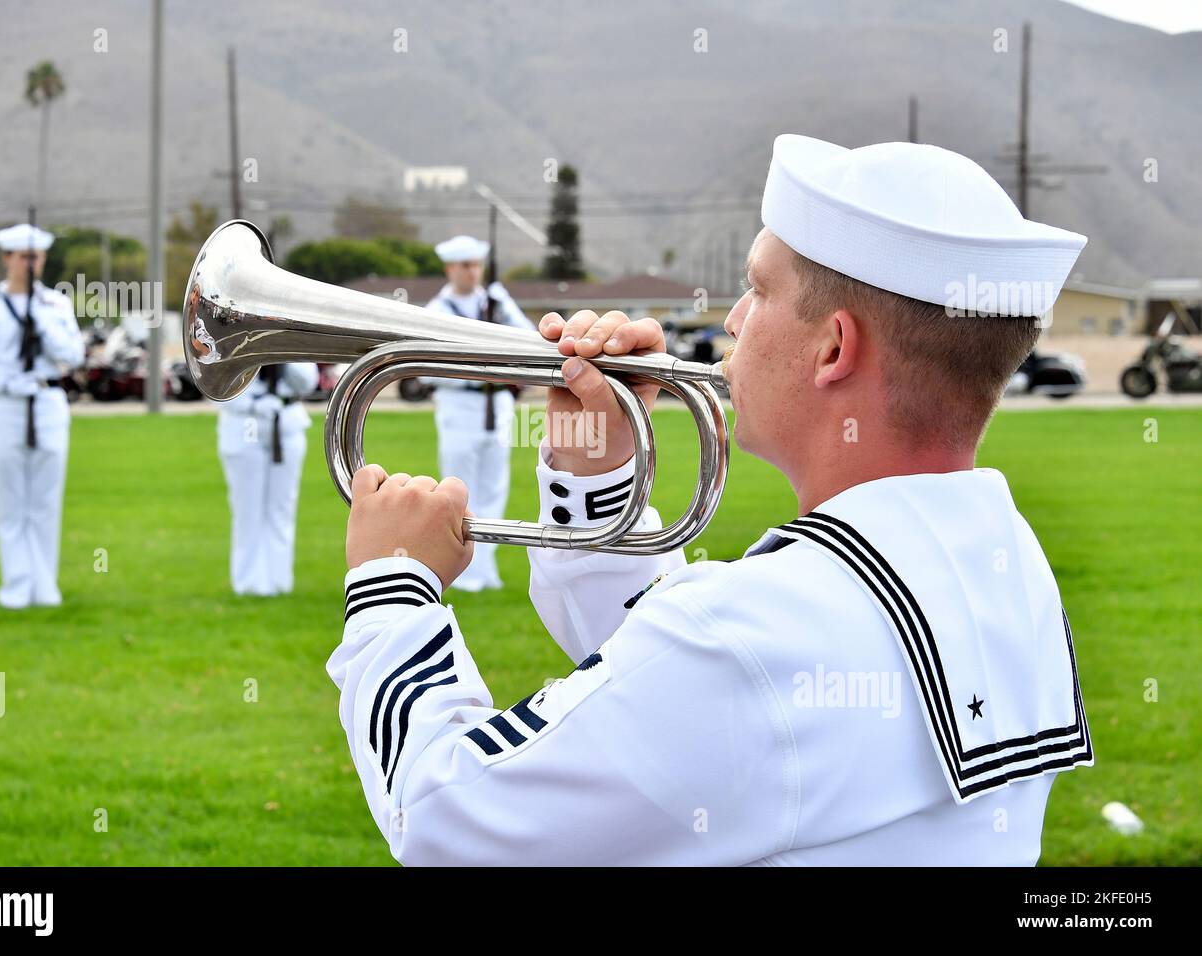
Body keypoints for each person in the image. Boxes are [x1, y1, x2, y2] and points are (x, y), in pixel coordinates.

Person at [326, 135, 1094, 865]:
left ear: (834, 347)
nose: (731, 321)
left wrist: (394, 589)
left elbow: (444, 817)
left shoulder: (752, 637)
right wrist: (596, 477)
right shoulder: (1006, 566)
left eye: (759, 289)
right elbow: (682, 697)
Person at [0, 224, 85, 609]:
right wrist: (9, 383)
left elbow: (74, 354)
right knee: (12, 502)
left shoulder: (56, 305)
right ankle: (16, 585)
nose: (31, 265)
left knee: (46, 502)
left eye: (37, 258)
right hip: (8, 406)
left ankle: (45, 585)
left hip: (47, 403)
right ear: (7, 259)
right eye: (24, 257)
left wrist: (44, 325)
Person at [423, 234, 535, 592]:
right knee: (460, 492)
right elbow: (425, 368)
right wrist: (475, 372)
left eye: (476, 265)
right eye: (464, 265)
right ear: (449, 268)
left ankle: (486, 572)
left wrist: (506, 306)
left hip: (497, 406)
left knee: (493, 492)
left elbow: (531, 342)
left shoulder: (495, 304)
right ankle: (463, 573)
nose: (472, 272)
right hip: (461, 406)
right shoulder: (437, 312)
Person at [217, 362, 319, 596]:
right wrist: (252, 404)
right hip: (245, 424)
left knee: (282, 509)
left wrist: (283, 355)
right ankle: (247, 584)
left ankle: (279, 582)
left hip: (286, 423)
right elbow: (216, 384)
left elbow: (307, 382)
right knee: (248, 511)